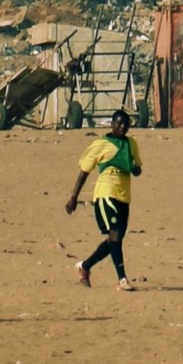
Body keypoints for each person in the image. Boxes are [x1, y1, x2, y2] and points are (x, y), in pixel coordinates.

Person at [66, 108, 143, 291]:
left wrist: (134, 168)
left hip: (124, 196)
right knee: (115, 236)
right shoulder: (101, 143)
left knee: (114, 241)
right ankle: (122, 279)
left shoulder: (132, 144)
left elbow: (138, 170)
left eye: (126, 124)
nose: (123, 127)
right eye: (119, 124)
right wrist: (74, 197)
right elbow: (84, 171)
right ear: (112, 124)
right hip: (105, 194)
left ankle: (85, 266)